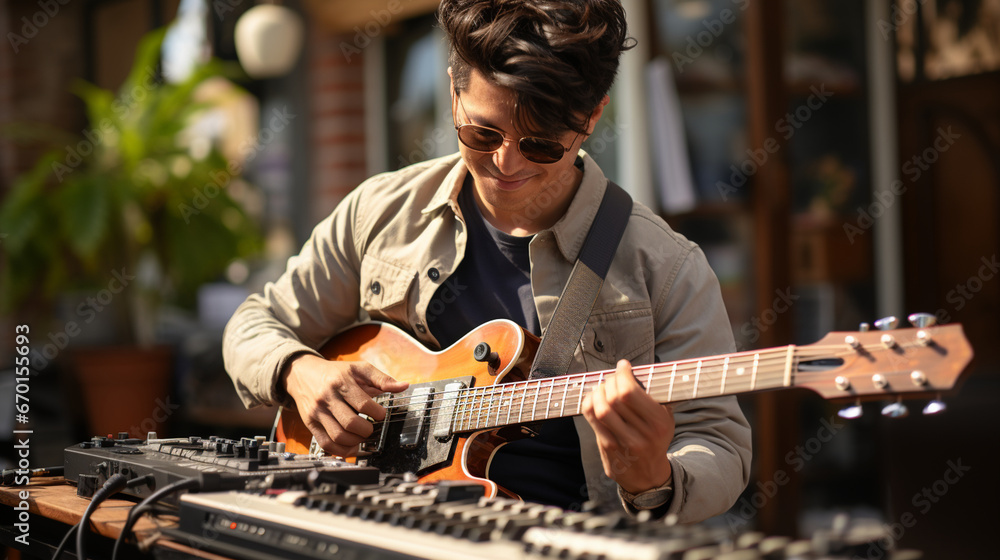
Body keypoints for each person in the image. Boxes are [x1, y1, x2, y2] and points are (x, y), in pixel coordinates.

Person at [223, 0, 750, 522]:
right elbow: (253, 325)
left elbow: (719, 443)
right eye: (483, 134)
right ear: (455, 97)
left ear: (592, 118)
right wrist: (299, 371)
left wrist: (653, 481)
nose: (506, 163)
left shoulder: (667, 266)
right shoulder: (380, 211)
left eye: (542, 144)